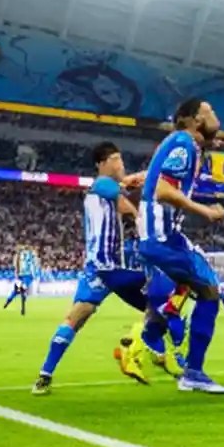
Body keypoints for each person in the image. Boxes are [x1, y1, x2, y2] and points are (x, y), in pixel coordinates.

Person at [131, 98, 224, 393]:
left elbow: (155, 179)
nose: (215, 116)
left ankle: (149, 337)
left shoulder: (182, 144)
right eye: (210, 111)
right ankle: (191, 370)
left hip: (163, 237)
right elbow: (163, 189)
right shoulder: (184, 144)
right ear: (194, 119)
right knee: (209, 291)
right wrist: (206, 211)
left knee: (187, 292)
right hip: (162, 238)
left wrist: (138, 178)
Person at [33, 143, 147, 395]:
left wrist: (135, 204)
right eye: (116, 159)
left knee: (76, 317)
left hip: (95, 269)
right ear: (102, 164)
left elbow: (125, 201)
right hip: (111, 268)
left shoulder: (105, 194)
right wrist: (143, 181)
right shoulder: (102, 185)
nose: (121, 164)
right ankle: (138, 349)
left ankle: (44, 375)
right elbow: (122, 195)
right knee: (162, 303)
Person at [3, 245, 40, 315]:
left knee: (16, 291)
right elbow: (35, 264)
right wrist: (35, 275)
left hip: (20, 276)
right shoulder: (31, 254)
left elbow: (15, 266)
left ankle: (8, 303)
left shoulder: (18, 255)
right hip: (28, 276)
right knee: (22, 291)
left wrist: (16, 275)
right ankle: (23, 309)